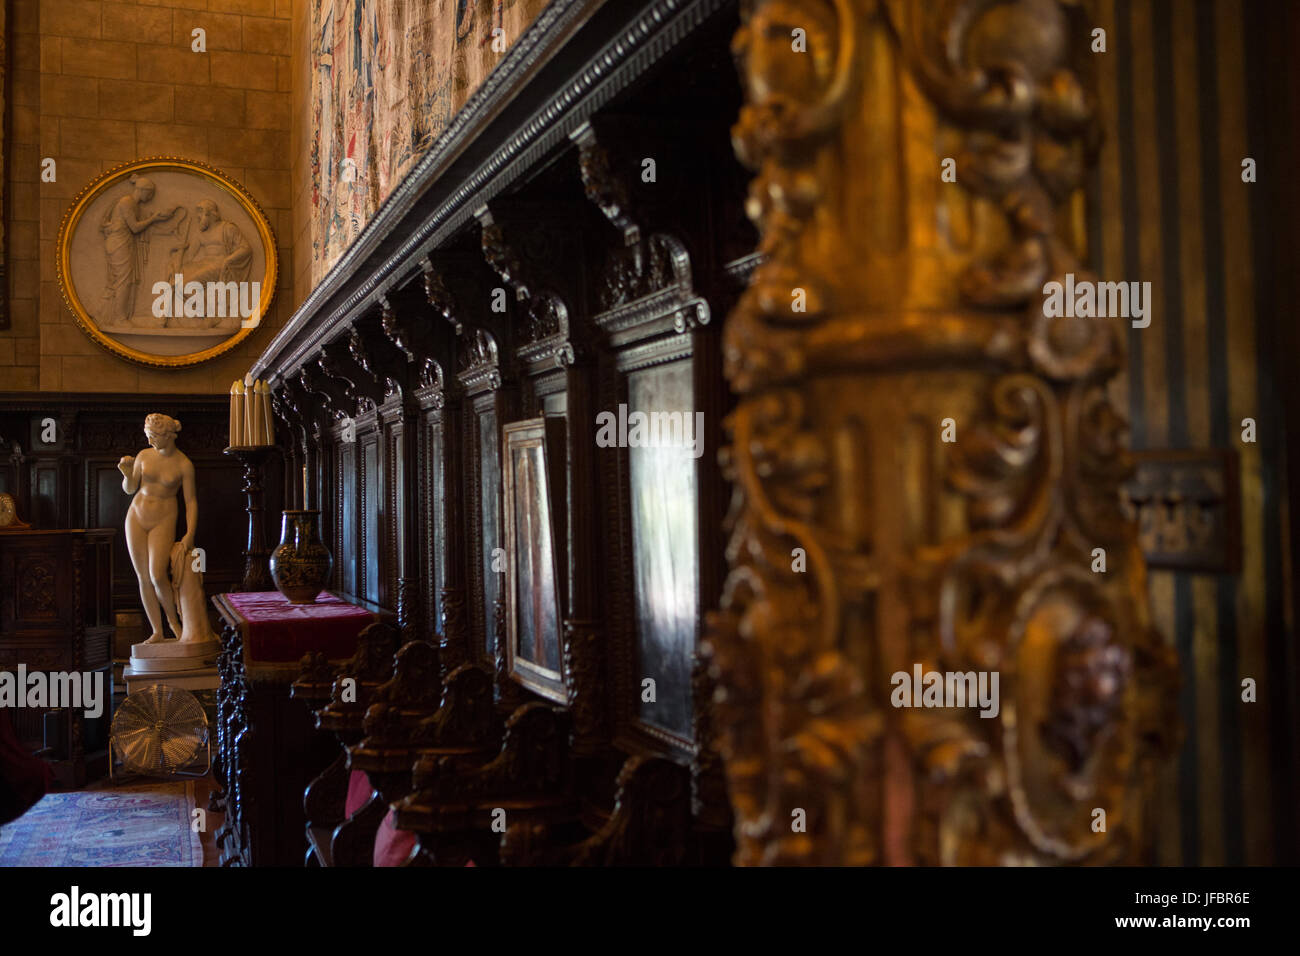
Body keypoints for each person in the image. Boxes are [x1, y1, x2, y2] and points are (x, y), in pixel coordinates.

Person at [117, 414, 196, 644]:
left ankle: (174, 624)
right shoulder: (144, 455)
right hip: (136, 516)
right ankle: (157, 631)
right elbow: (130, 488)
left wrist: (190, 533)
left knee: (157, 574)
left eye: (154, 436)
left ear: (168, 436)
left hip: (163, 519)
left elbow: (191, 502)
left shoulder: (183, 464)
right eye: (148, 436)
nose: (150, 441)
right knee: (143, 577)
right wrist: (126, 473)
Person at [97, 175, 178, 327]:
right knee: (123, 280)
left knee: (118, 280)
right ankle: (119, 318)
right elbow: (135, 227)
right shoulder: (127, 202)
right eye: (150, 194)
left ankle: (104, 314)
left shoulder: (132, 204)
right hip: (119, 243)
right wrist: (153, 218)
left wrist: (157, 218)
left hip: (122, 242)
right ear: (143, 190)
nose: (150, 197)